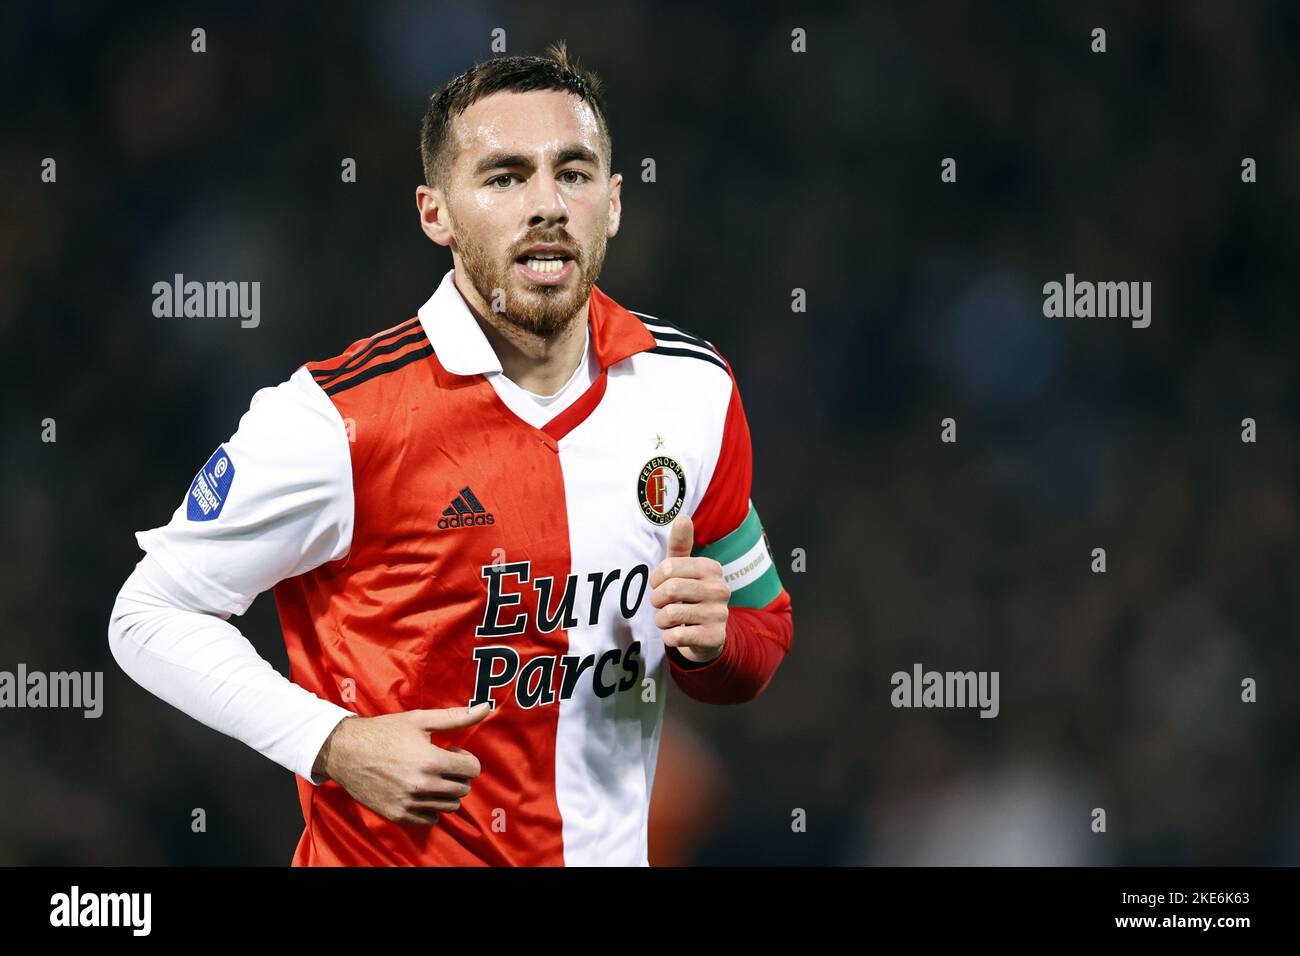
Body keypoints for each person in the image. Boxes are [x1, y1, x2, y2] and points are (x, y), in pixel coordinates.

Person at [108, 41, 793, 866]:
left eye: (572, 173)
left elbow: (761, 631)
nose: (547, 204)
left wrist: (713, 646)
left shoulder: (694, 390)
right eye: (505, 178)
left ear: (612, 203)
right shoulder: (336, 419)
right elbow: (148, 615)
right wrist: (334, 743)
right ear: (436, 213)